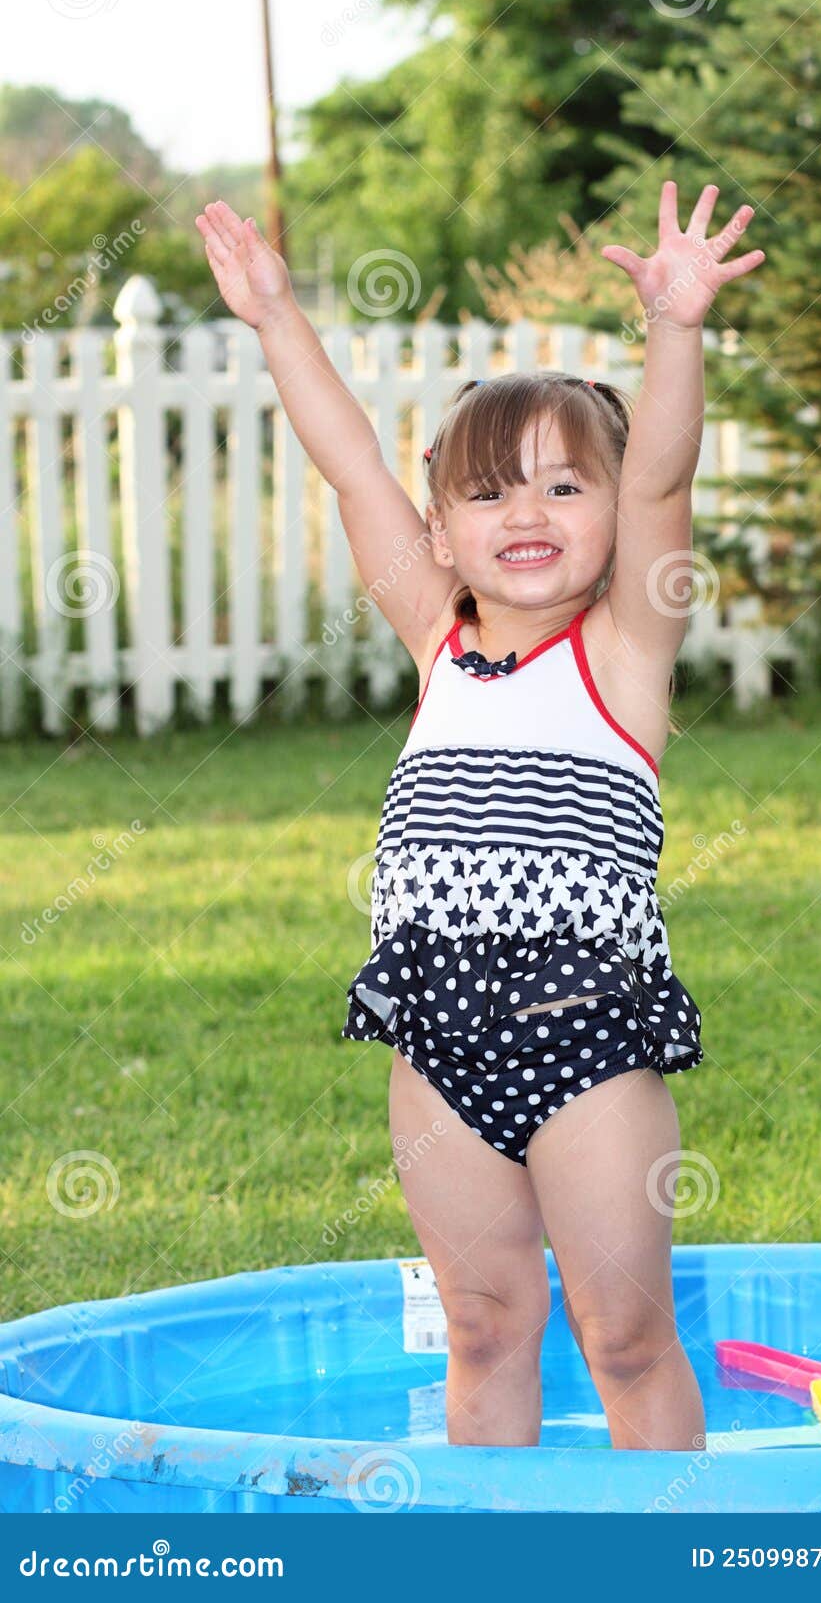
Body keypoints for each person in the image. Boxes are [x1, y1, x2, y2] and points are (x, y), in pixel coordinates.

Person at [195, 183, 764, 1453]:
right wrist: (278, 316)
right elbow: (348, 464)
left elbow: (666, 474)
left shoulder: (622, 655)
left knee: (621, 1336)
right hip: (435, 1031)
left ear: (613, 524)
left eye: (567, 489)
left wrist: (674, 327)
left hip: (587, 1037)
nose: (526, 515)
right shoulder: (436, 650)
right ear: (441, 531)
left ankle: (662, 1557)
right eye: (491, 494)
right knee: (487, 1325)